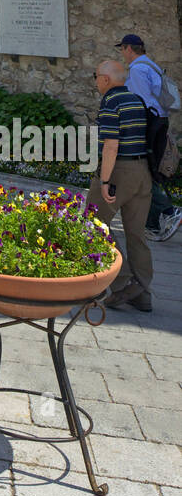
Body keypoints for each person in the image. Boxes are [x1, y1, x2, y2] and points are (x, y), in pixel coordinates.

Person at [88, 59, 153, 312]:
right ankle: (143, 291)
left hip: (119, 171)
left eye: (95, 76)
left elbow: (111, 145)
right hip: (142, 172)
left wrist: (104, 181)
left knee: (93, 222)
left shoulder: (111, 102)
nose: (95, 81)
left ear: (105, 79)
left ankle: (124, 281)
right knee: (137, 234)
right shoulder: (136, 100)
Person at [116, 33, 182, 243]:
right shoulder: (150, 65)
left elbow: (140, 102)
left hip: (149, 123)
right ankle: (153, 223)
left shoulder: (137, 69)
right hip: (158, 122)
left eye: (122, 49)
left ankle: (168, 211)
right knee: (146, 170)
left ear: (128, 48)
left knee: (142, 169)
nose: (122, 54)